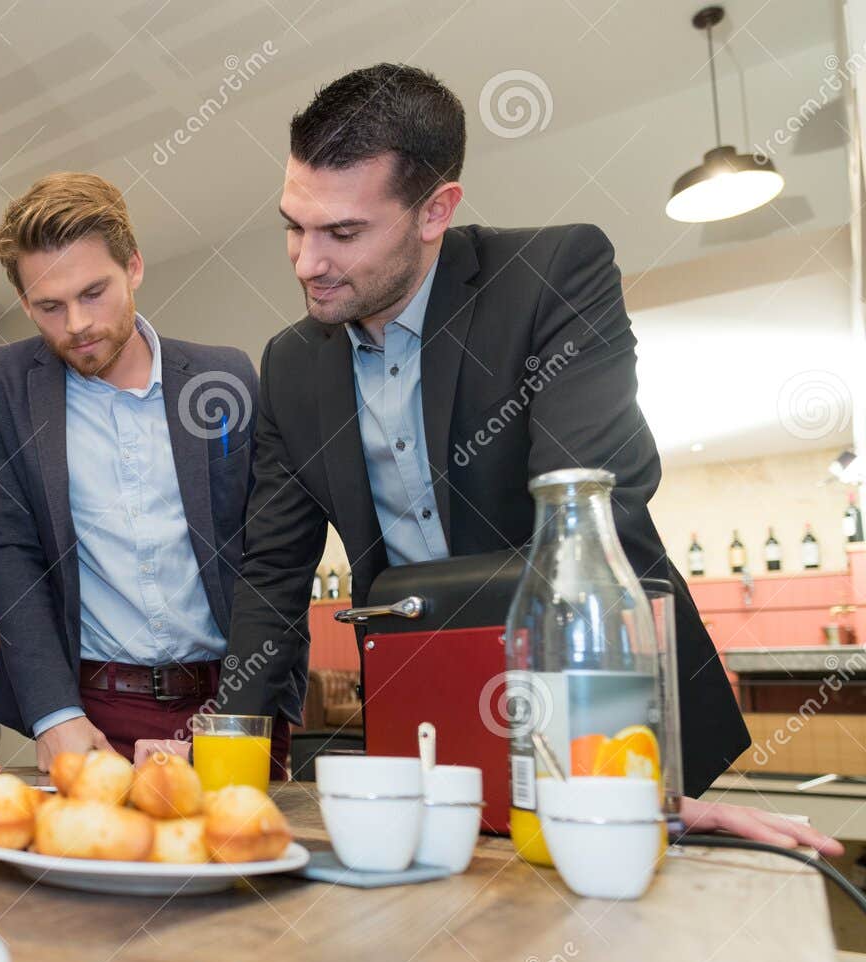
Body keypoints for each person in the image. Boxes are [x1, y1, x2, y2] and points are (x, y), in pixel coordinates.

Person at [221, 63, 840, 855]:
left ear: (436, 210)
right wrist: (232, 759)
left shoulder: (551, 277)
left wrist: (613, 764)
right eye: (294, 225)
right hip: (428, 715)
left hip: (603, 698)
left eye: (343, 233)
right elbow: (270, 572)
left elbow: (588, 518)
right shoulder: (292, 364)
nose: (307, 262)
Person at [0, 173, 291, 773]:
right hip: (90, 712)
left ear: (134, 267)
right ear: (23, 303)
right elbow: (9, 552)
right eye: (49, 306)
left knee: (242, 865)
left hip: (231, 700)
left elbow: (269, 553)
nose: (76, 325)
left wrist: (241, 710)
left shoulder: (225, 378)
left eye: (94, 293)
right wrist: (55, 714)